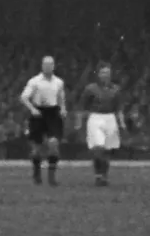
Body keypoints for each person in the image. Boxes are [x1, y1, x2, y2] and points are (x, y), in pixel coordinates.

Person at [19, 54, 67, 185]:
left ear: (54, 66)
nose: (48, 67)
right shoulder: (34, 81)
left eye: (50, 64)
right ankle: (37, 174)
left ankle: (51, 177)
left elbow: (61, 96)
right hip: (38, 113)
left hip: (53, 113)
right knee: (37, 148)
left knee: (53, 143)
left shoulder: (59, 82)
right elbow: (23, 97)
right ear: (42, 66)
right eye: (45, 64)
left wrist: (63, 108)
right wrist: (32, 109)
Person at [78, 62, 126, 186]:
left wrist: (122, 123)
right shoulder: (90, 89)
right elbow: (83, 106)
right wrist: (79, 122)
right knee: (98, 147)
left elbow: (119, 108)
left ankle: (104, 176)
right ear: (98, 74)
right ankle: (98, 175)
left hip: (110, 118)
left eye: (108, 73)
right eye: (103, 72)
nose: (105, 75)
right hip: (95, 117)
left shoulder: (116, 89)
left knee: (107, 150)